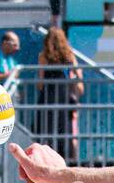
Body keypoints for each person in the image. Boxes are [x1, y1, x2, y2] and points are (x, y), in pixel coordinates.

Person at [35, 25, 84, 163]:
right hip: (64, 96)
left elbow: (40, 82)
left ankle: (47, 162)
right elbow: (79, 75)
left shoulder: (43, 56)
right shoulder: (69, 54)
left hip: (48, 96)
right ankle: (65, 162)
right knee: (65, 131)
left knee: (46, 131)